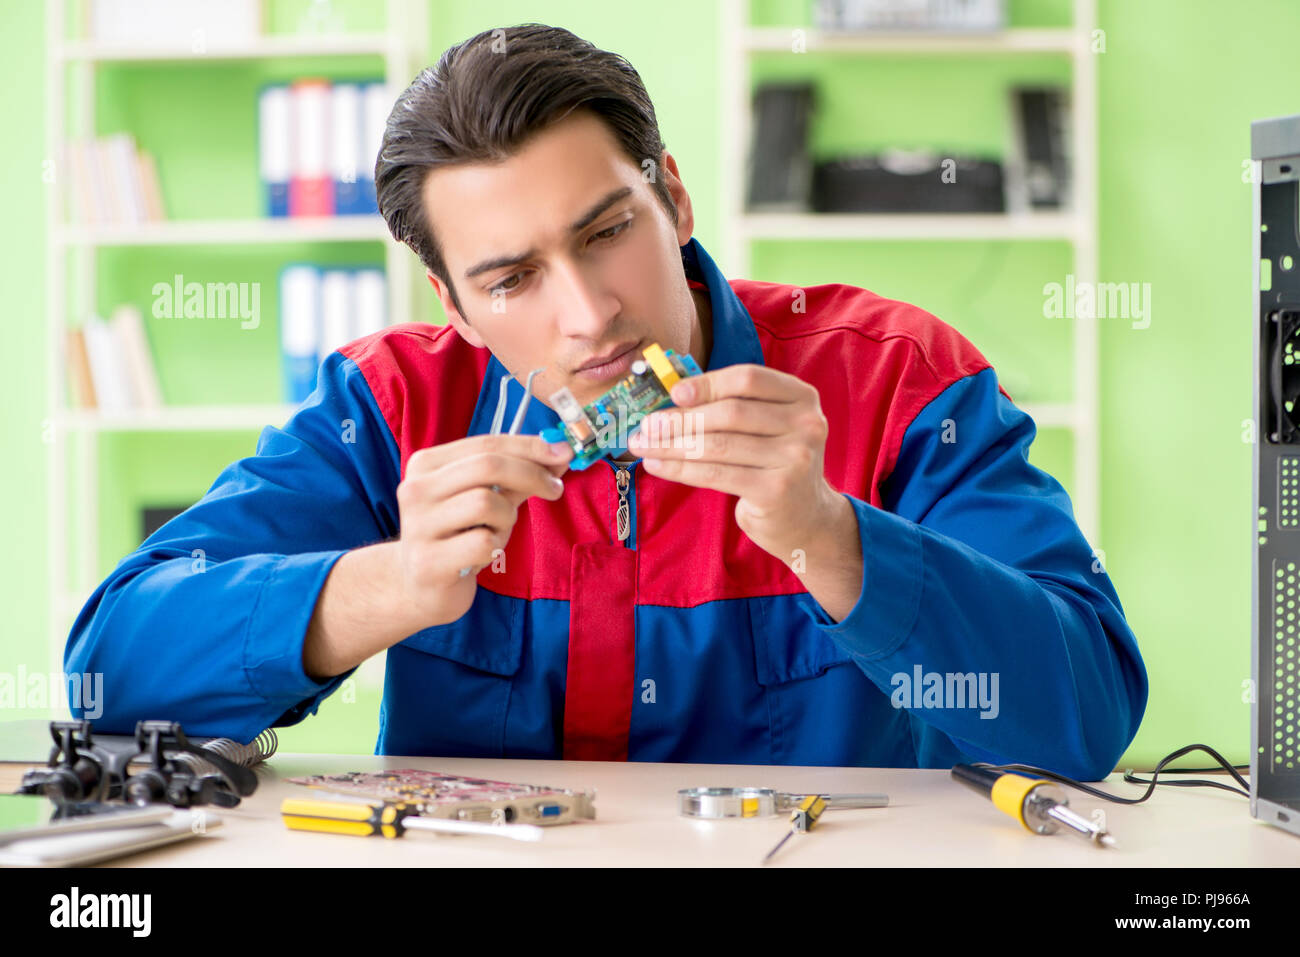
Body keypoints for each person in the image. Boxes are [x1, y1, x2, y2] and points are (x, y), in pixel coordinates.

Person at [65, 23, 1146, 778]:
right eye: (511, 279)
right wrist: (383, 585)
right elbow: (110, 674)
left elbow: (1084, 718)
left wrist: (831, 537)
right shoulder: (392, 402)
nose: (587, 316)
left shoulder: (899, 376)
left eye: (604, 234)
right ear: (452, 302)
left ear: (670, 197)